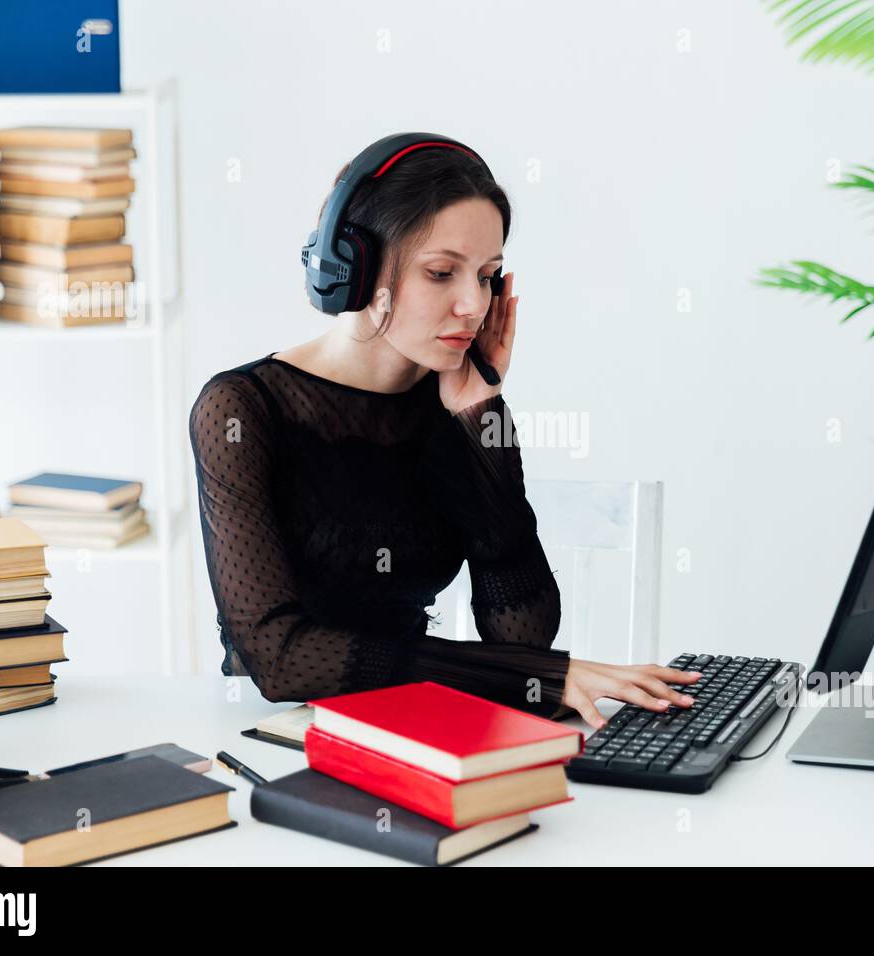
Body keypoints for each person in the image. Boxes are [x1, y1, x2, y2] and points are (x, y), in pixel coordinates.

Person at [189, 136, 700, 729]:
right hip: (275, 731)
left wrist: (483, 416)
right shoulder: (242, 410)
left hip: (417, 720)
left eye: (487, 277)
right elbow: (279, 660)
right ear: (352, 270)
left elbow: (522, 633)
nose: (472, 305)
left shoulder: (455, 402)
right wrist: (531, 677)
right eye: (441, 273)